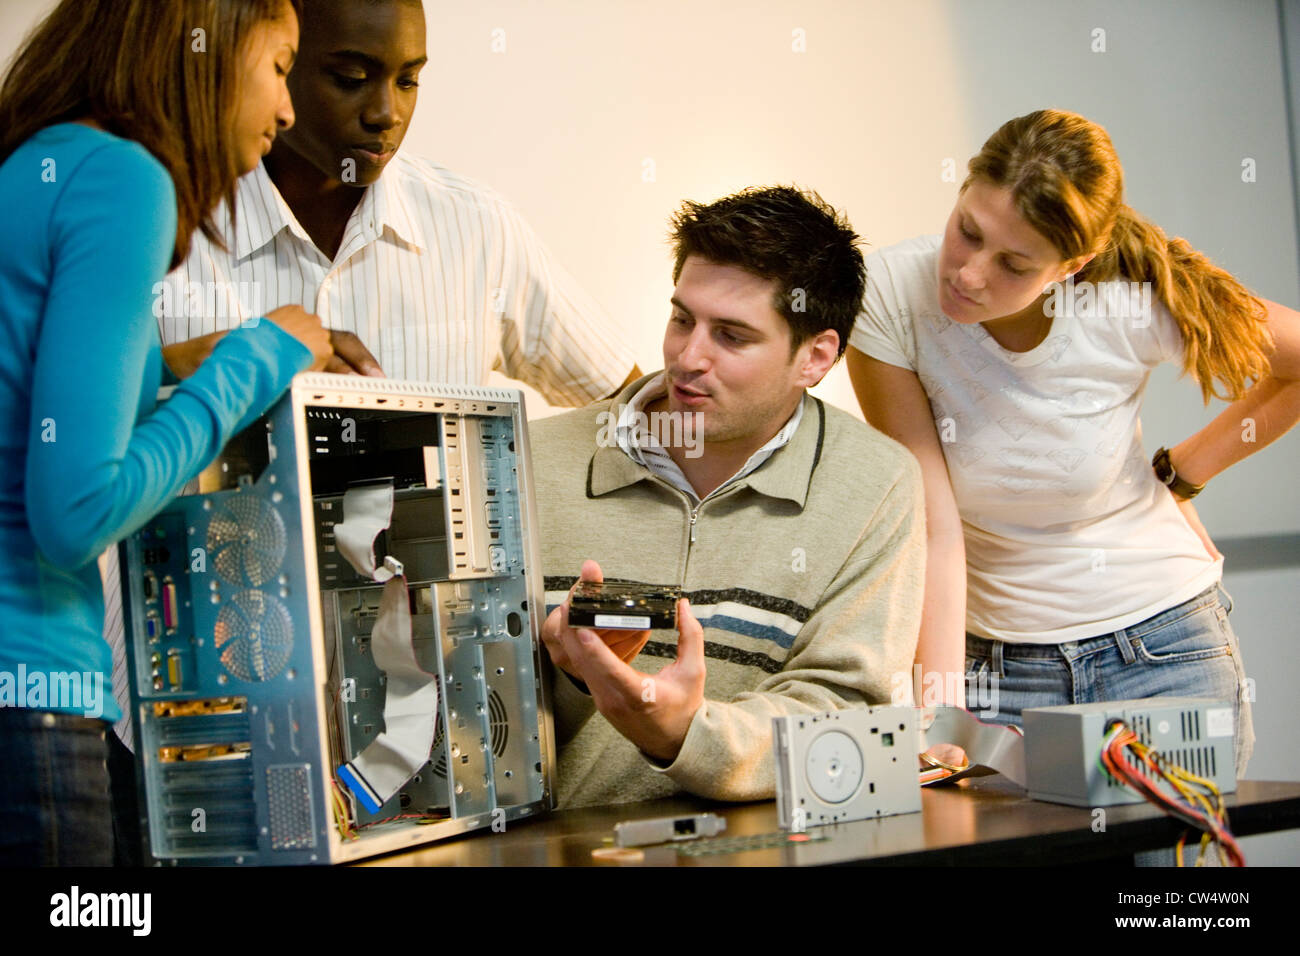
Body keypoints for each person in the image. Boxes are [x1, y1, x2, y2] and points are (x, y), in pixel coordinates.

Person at [846, 109, 1300, 777]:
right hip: (996, 673)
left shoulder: (1130, 301)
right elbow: (932, 524)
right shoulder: (886, 295)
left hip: (1162, 649)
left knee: (1162, 885)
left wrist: (1181, 475)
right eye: (967, 232)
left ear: (1071, 266)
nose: (969, 274)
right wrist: (933, 716)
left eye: (1013, 264)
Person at [0, 0, 334, 865]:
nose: (288, 110)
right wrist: (260, 357)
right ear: (211, 47)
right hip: (30, 696)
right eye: (283, 65)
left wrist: (178, 364)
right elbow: (76, 508)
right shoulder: (122, 179)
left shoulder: (34, 164)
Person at [535, 186, 926, 809]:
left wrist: (686, 735)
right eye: (683, 319)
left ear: (816, 357)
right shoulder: (527, 461)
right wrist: (568, 675)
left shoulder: (879, 484)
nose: (688, 358)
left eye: (732, 337)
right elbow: (460, 716)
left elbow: (849, 718)